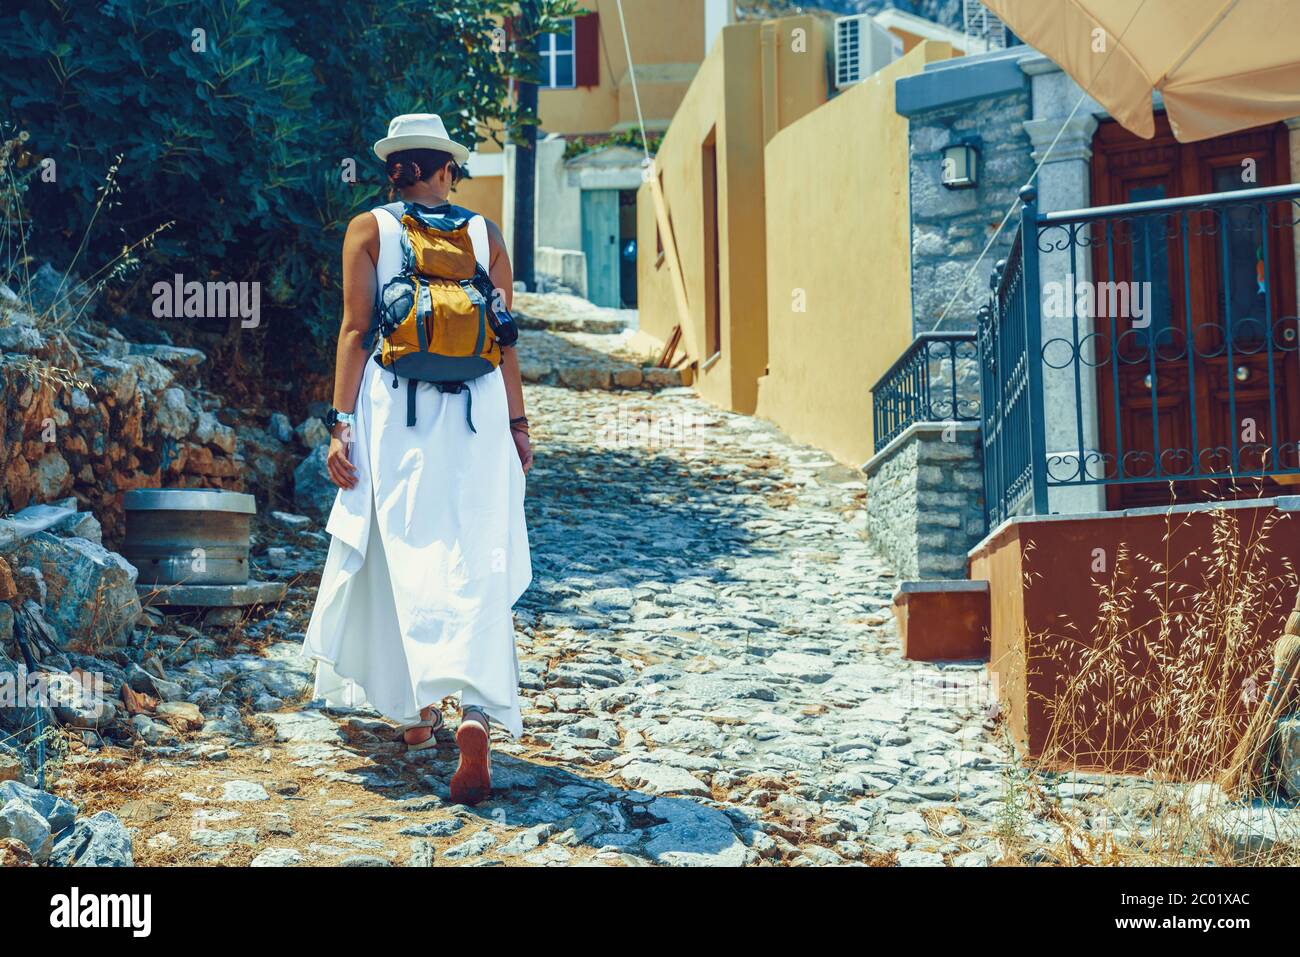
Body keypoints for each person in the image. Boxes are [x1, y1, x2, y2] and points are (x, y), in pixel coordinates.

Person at [301, 114, 532, 806]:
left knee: (407, 555)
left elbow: (353, 331)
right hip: (480, 409)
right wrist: (518, 424)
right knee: (478, 555)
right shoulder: (486, 235)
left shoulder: (368, 230)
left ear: (392, 170)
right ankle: (474, 714)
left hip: (398, 409)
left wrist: (339, 426)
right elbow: (508, 338)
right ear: (448, 170)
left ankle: (417, 710)